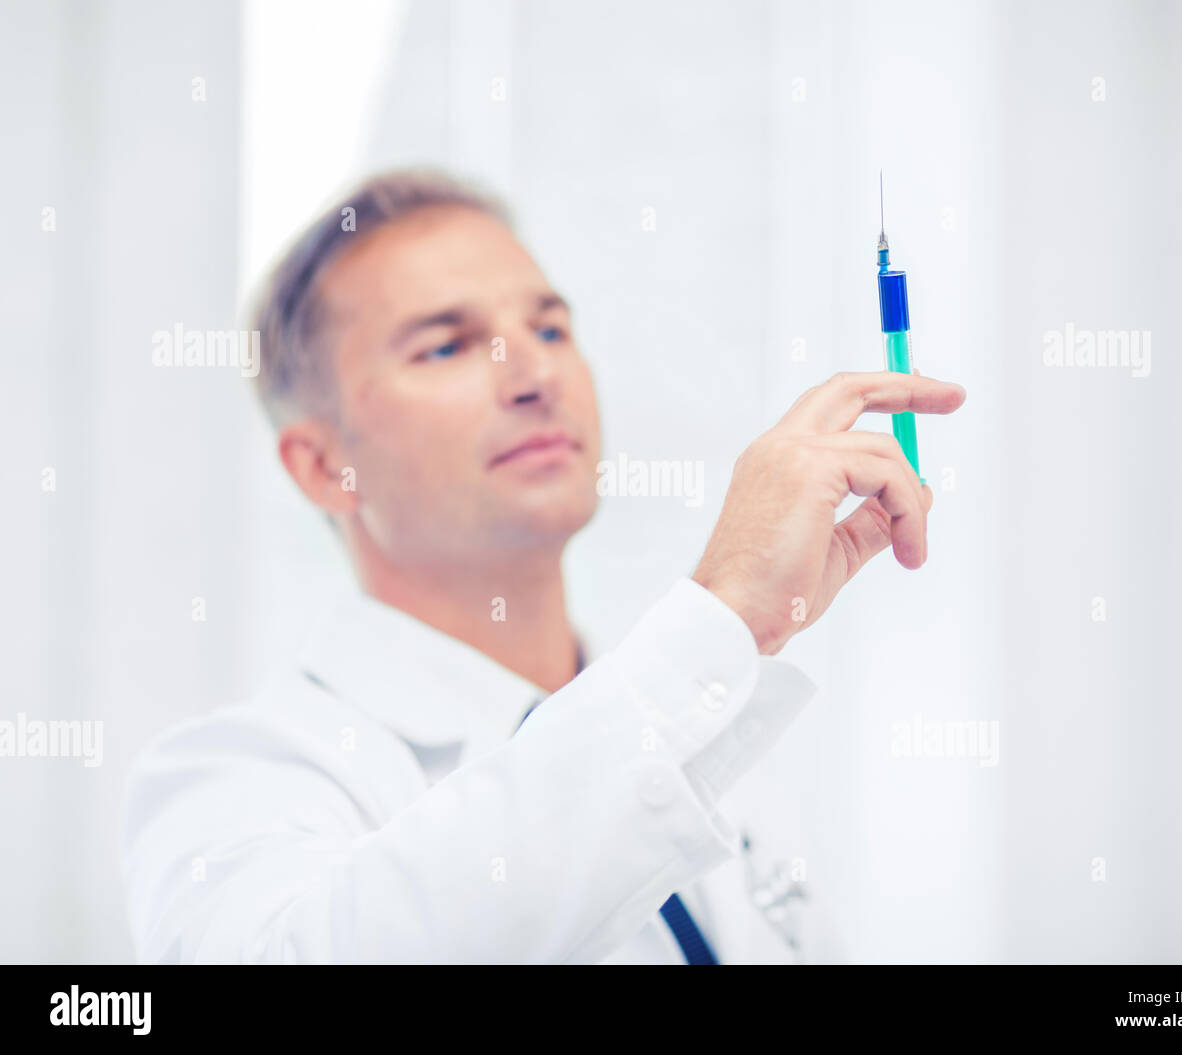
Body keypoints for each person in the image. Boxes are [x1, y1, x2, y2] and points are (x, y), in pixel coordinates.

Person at [119, 169, 966, 964]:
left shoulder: (719, 763)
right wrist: (725, 613)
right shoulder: (241, 776)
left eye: (550, 328)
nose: (534, 374)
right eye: (446, 346)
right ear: (318, 465)